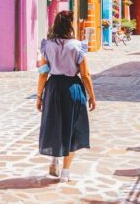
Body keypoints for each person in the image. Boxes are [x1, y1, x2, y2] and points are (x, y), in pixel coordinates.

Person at [35, 11, 97, 182]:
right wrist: (92, 96)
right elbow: (85, 74)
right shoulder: (78, 46)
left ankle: (54, 159)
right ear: (71, 25)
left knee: (54, 123)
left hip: (53, 88)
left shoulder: (47, 46)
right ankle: (66, 172)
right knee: (72, 127)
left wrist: (39, 96)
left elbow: (42, 73)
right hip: (72, 88)